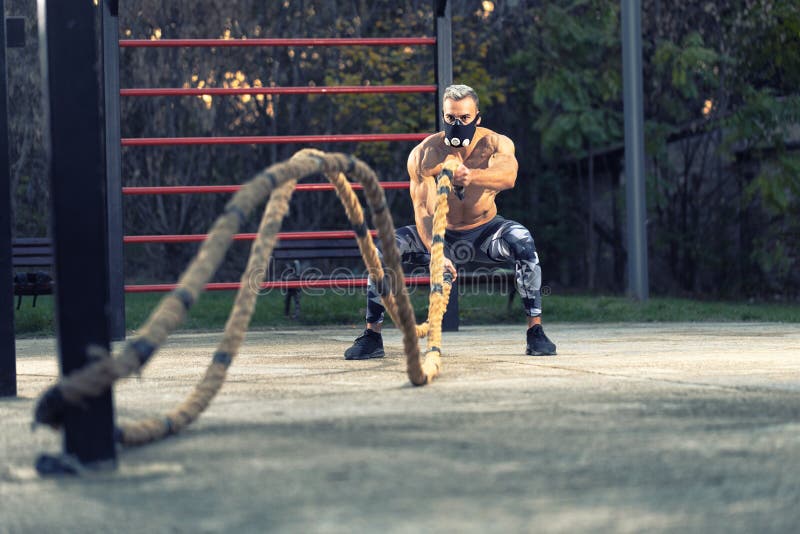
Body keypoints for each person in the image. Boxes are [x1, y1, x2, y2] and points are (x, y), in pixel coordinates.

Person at [344, 84, 556, 359]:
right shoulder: (424, 154)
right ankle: (372, 335)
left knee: (522, 239)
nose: (457, 124)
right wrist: (436, 251)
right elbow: (423, 209)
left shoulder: (494, 143)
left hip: (484, 235)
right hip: (438, 235)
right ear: (444, 116)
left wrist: (472, 176)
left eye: (465, 118)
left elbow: (509, 176)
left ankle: (535, 331)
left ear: (477, 117)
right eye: (451, 118)